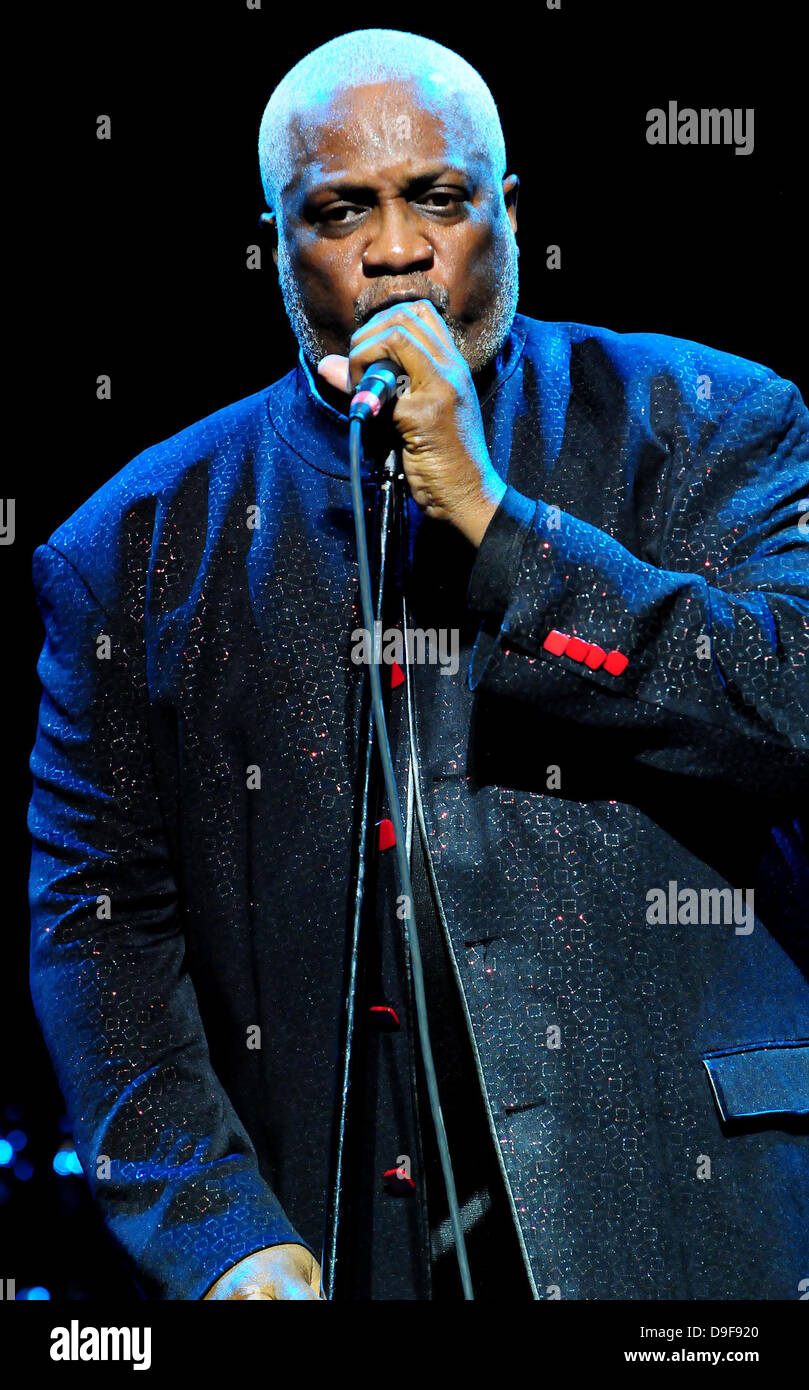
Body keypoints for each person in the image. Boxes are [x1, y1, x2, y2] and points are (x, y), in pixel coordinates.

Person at [28, 29, 809, 1302]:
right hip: (340, 1234)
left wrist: (501, 531)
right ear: (278, 242)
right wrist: (213, 1225)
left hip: (676, 1216)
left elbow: (788, 707)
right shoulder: (134, 544)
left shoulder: (709, 419)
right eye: (341, 211)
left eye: (436, 199)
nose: (395, 249)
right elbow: (95, 923)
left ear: (504, 211)